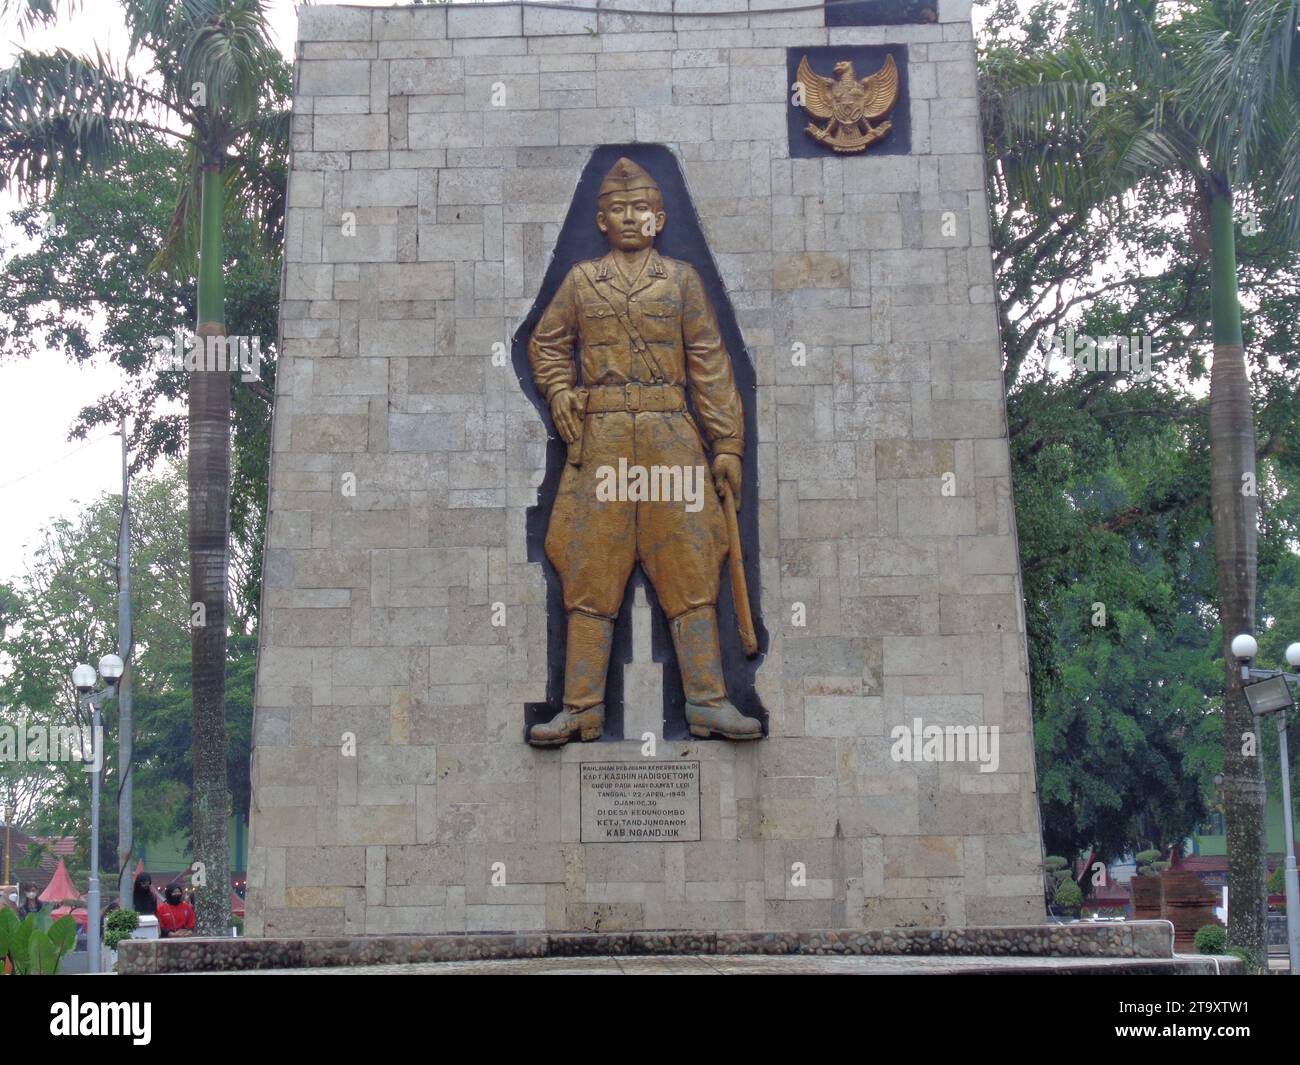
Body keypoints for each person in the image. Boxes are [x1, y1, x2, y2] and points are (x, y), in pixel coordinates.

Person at [527, 156, 762, 746]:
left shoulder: (682, 281)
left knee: (688, 562)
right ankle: (581, 708)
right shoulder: (581, 282)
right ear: (601, 221)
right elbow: (547, 344)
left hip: (670, 438)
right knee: (589, 566)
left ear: (658, 218)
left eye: (641, 210)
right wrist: (558, 391)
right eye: (617, 210)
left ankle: (707, 701)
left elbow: (709, 361)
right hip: (601, 440)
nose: (630, 218)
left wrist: (727, 444)